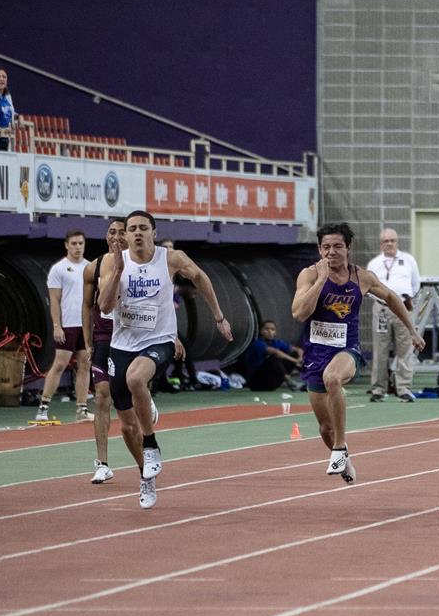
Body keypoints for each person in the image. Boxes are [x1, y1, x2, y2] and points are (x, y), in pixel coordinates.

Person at [96, 211, 234, 509]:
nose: (137, 233)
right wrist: (118, 270)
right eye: (132, 229)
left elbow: (201, 277)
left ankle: (151, 444)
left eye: (143, 228)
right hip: (122, 345)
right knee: (126, 426)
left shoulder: (170, 258)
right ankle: (145, 476)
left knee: (136, 378)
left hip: (159, 341)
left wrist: (219, 317)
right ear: (125, 234)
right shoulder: (111, 262)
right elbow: (104, 307)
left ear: (154, 232)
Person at [293, 222, 424, 485]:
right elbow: (299, 313)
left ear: (348, 248)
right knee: (325, 428)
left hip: (346, 349)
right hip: (316, 353)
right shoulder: (309, 275)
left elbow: (391, 297)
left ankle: (340, 447)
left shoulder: (361, 277)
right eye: (326, 247)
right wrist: (321, 281)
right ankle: (343, 456)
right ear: (319, 249)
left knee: (333, 378)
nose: (331, 252)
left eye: (337, 246)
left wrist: (412, 330)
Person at [80, 217, 126, 482]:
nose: (116, 237)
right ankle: (102, 463)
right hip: (104, 336)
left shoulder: (141, 265)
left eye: (121, 232)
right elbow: (87, 306)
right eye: (112, 232)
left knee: (129, 395)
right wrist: (88, 342)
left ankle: (147, 451)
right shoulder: (93, 268)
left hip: (131, 337)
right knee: (101, 396)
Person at [36, 230, 91, 423]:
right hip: (68, 325)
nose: (78, 247)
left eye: (81, 243)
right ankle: (43, 408)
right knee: (59, 365)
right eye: (74, 243)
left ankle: (82, 409)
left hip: (86, 326)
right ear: (67, 245)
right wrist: (57, 326)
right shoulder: (58, 269)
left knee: (85, 365)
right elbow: (54, 300)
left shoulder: (90, 268)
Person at [364, 227, 422, 402]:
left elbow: (416, 283)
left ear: (397, 242)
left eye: (392, 241)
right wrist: (379, 300)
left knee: (405, 348)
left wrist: (408, 298)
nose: (389, 244)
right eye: (385, 241)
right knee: (380, 349)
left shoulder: (408, 260)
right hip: (381, 308)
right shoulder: (374, 264)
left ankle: (403, 388)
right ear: (380, 244)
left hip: (402, 307)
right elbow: (368, 286)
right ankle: (378, 389)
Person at [232, 319, 302, 391]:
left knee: (294, 354)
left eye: (272, 329)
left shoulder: (276, 342)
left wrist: (300, 358)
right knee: (274, 358)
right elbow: (276, 352)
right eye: (267, 329)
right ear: (261, 331)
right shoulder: (257, 343)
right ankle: (290, 382)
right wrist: (296, 361)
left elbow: (298, 350)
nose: (270, 331)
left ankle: (306, 380)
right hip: (257, 382)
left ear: (275, 332)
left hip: (272, 381)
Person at [0, 67, 15, 151]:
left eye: (4, 77)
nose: (1, 79)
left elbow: (10, 112)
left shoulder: (8, 96)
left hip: (7, 137)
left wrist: (18, 117)